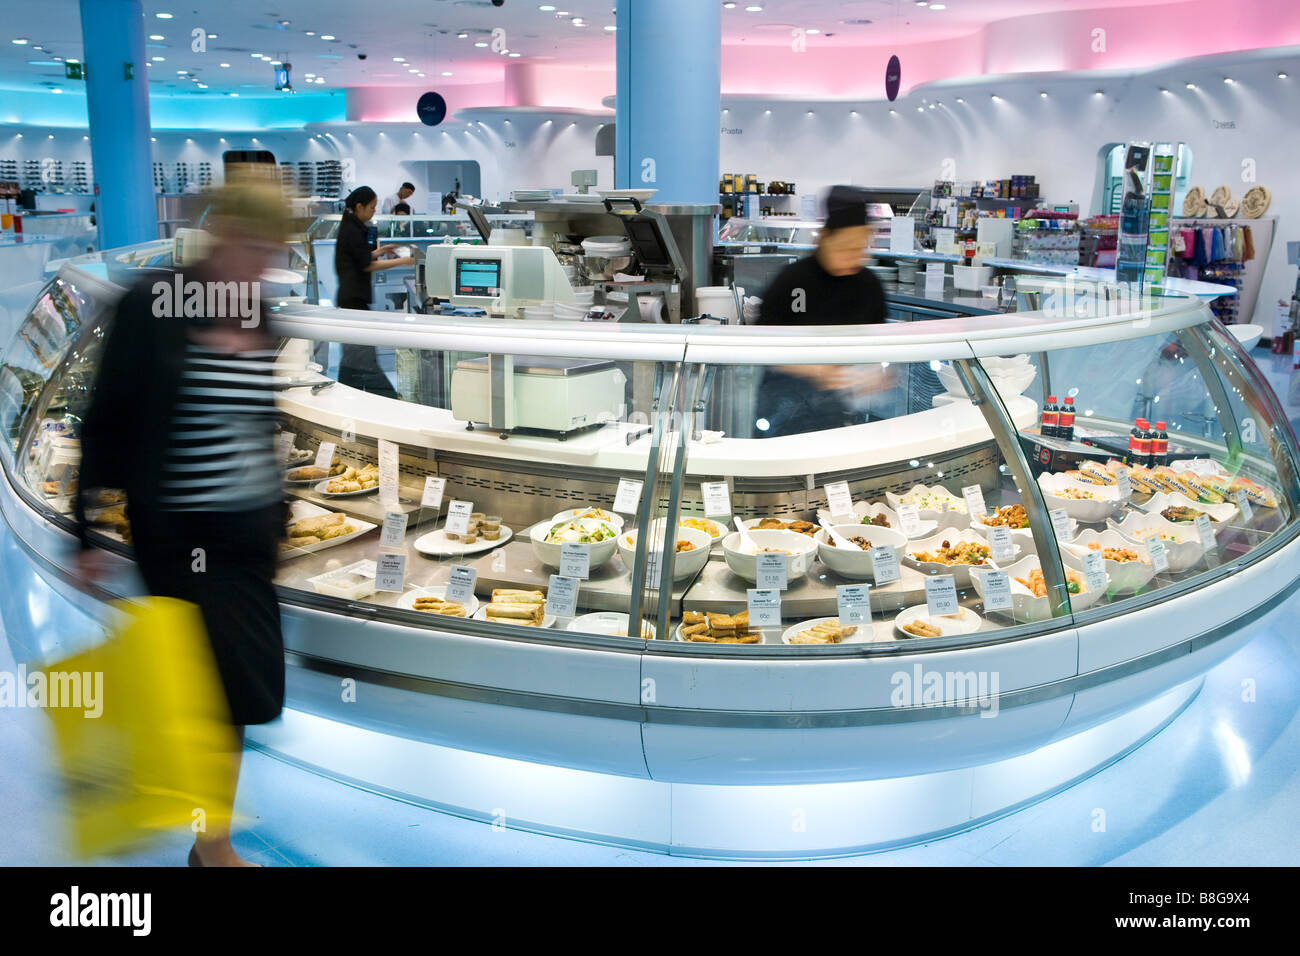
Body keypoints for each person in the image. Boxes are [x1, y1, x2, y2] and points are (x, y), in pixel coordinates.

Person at [74, 181, 294, 867]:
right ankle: (213, 846)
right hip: (180, 533)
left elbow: (258, 420)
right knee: (207, 695)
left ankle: (210, 842)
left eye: (272, 252)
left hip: (247, 535)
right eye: (252, 247)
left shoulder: (258, 311)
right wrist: (87, 529)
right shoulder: (152, 305)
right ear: (221, 233)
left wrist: (278, 514)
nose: (260, 264)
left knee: (239, 692)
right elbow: (107, 415)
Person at [753, 185, 893, 437]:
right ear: (825, 237)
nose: (854, 257)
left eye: (860, 249)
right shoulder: (793, 280)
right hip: (784, 408)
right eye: (845, 248)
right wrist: (817, 369)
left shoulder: (869, 285)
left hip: (840, 408)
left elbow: (879, 346)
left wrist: (879, 373)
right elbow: (763, 346)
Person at [334, 185, 413, 397]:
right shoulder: (353, 229)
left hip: (351, 297)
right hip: (353, 299)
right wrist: (401, 261)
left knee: (354, 355)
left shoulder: (351, 225)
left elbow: (361, 257)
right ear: (359, 206)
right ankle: (388, 397)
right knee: (363, 356)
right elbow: (366, 265)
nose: (373, 212)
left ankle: (349, 395)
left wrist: (381, 251)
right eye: (371, 208)